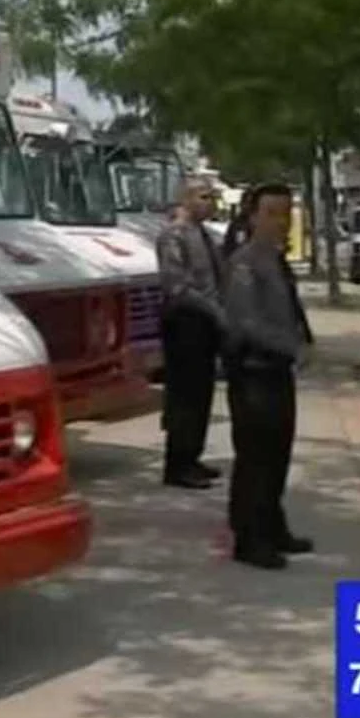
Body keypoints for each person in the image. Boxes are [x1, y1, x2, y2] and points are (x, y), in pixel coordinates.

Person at [223, 182, 314, 570]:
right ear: (253, 216)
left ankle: (273, 527)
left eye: (285, 212)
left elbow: (290, 309)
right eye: (271, 213)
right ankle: (249, 538)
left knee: (278, 455)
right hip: (254, 373)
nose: (280, 221)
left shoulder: (275, 258)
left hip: (277, 373)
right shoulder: (244, 262)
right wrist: (290, 346)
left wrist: (304, 339)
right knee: (256, 459)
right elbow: (246, 324)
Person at [155, 181, 227, 489]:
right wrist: (213, 309)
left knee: (202, 393)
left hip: (206, 324)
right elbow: (177, 286)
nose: (210, 203)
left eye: (213, 197)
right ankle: (178, 464)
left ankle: (192, 456)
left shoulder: (206, 236)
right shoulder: (173, 235)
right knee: (185, 395)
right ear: (185, 198)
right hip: (185, 323)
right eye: (204, 196)